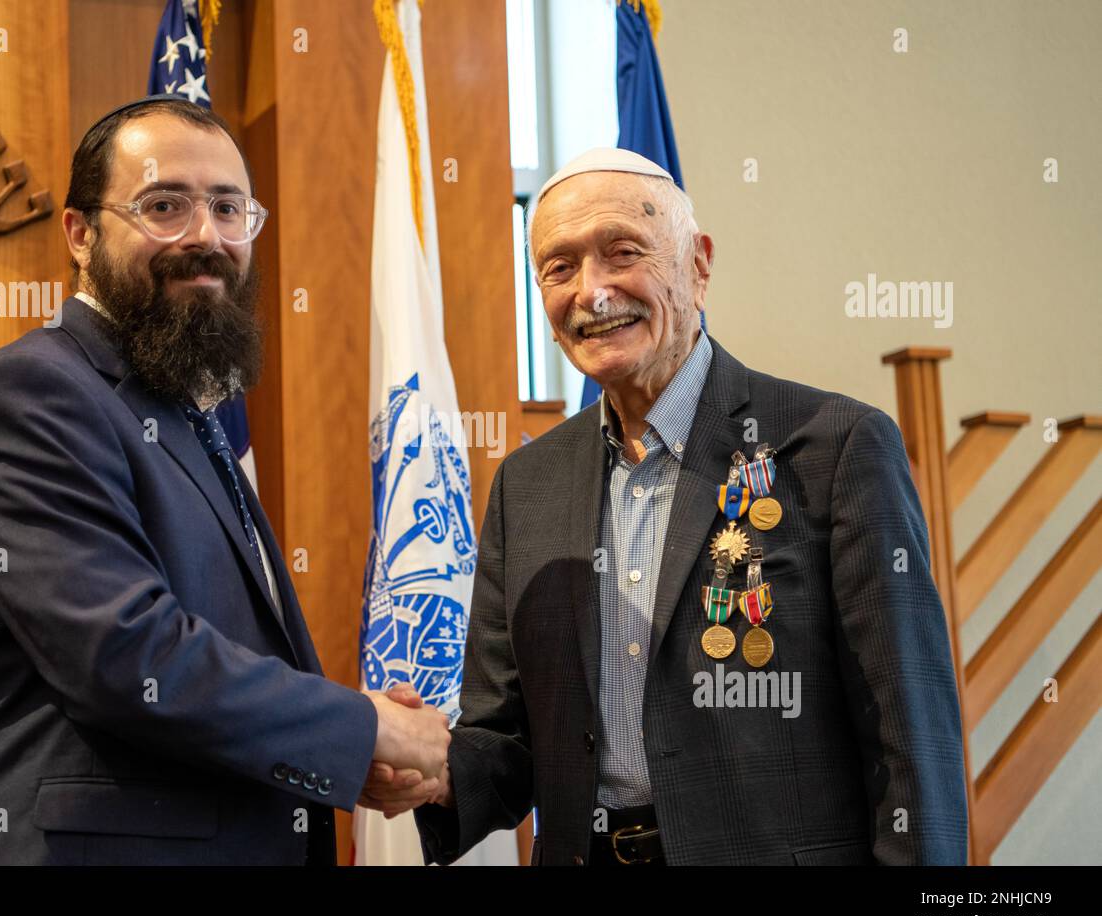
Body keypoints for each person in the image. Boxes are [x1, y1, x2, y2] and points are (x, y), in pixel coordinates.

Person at [360, 147, 968, 865]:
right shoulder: (527, 485)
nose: (592, 292)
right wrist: (424, 769)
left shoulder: (835, 448)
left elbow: (910, 735)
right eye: (558, 268)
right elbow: (512, 740)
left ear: (699, 266)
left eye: (622, 253)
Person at [0, 95, 447, 865]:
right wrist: (360, 728)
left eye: (229, 209)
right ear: (79, 233)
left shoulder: (180, 406)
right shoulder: (35, 393)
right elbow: (126, 656)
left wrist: (345, 752)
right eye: (164, 205)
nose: (206, 237)